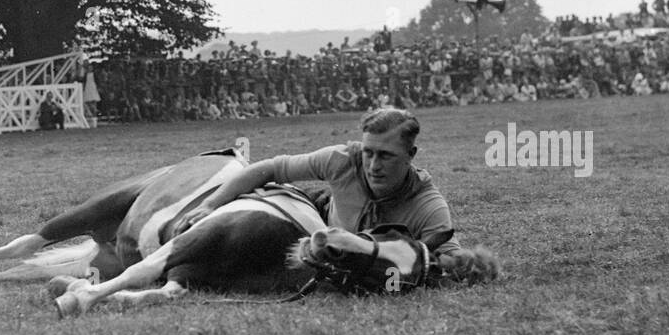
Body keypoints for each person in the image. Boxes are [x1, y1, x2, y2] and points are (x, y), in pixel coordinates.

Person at [178, 107, 483, 279]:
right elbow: (269, 168)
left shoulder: (427, 204)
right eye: (368, 153)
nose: (374, 165)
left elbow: (452, 261)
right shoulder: (340, 159)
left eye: (386, 156)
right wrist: (210, 203)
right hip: (317, 218)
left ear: (411, 154)